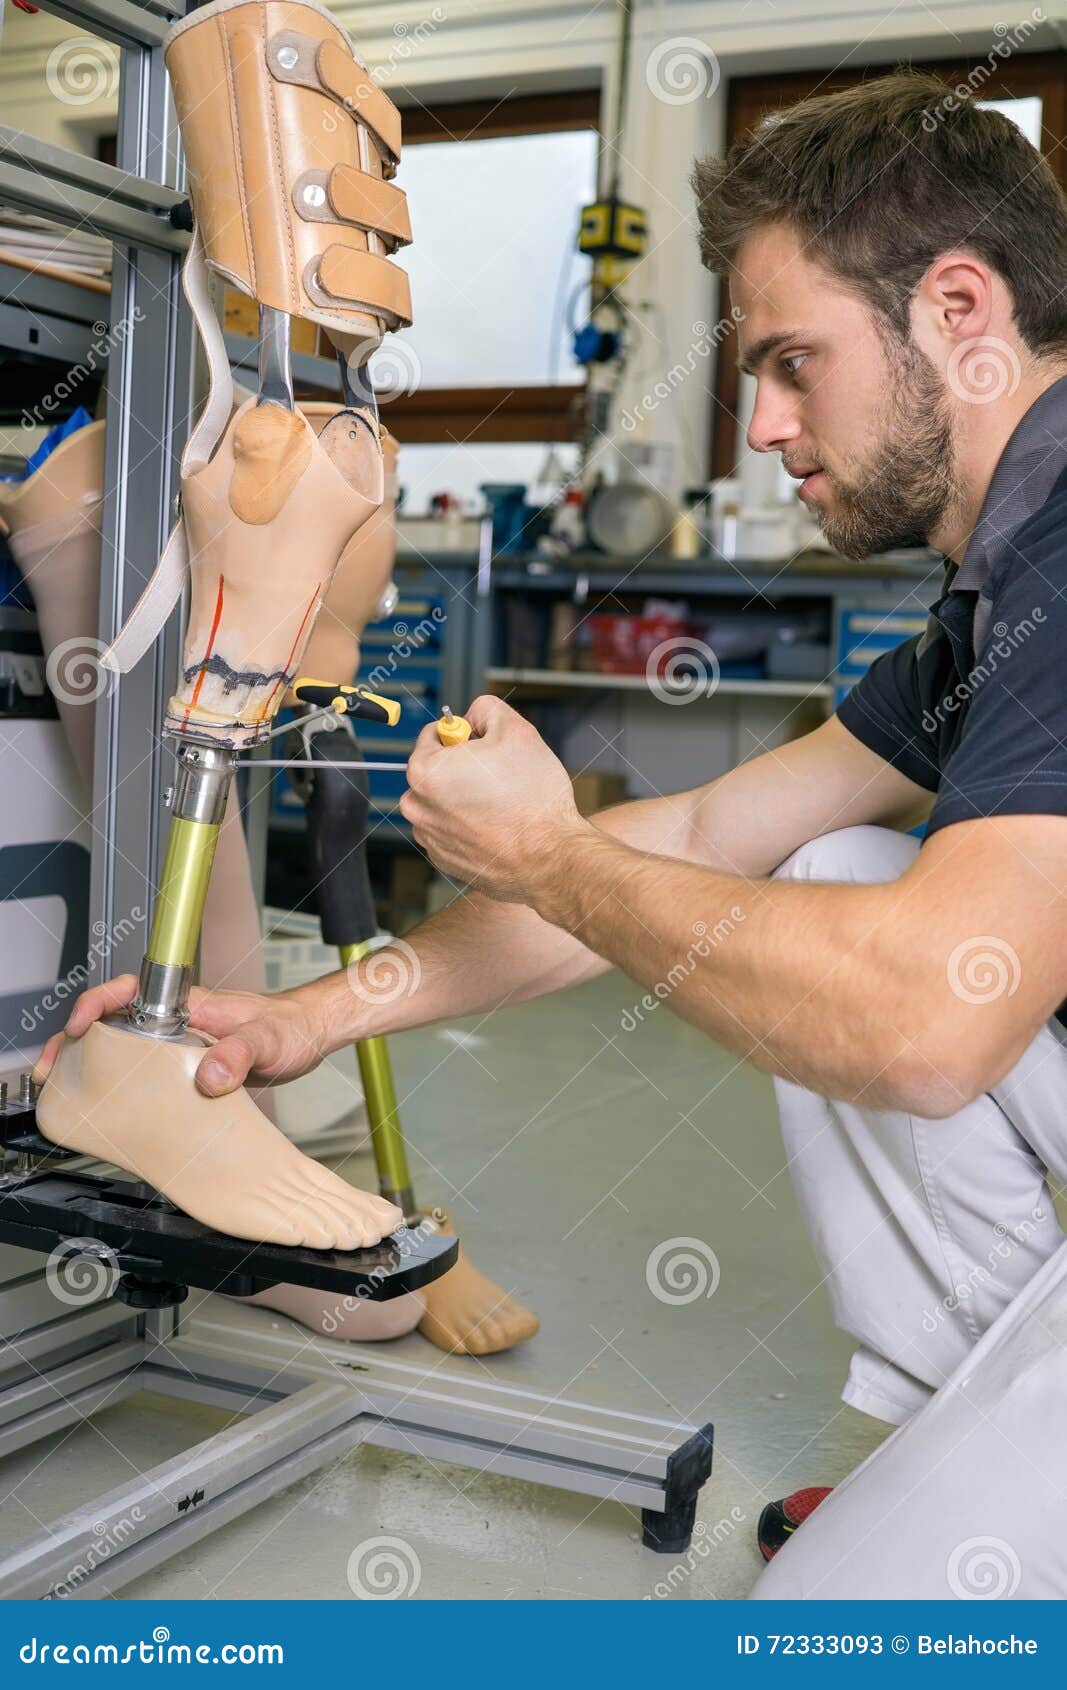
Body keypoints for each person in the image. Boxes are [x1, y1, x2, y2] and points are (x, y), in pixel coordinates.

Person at [38, 68, 1067, 1596]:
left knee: (836, 1626)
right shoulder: (992, 590)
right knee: (829, 865)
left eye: (793, 362)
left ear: (962, 310)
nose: (767, 424)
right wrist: (311, 1013)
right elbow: (711, 823)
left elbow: (929, 1022)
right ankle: (956, 1421)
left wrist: (552, 854)